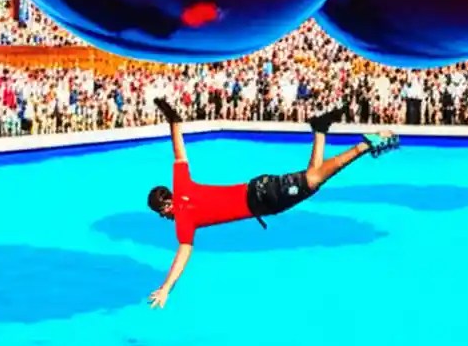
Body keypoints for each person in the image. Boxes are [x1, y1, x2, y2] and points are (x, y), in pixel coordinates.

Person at [145, 98, 398, 308]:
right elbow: (179, 150)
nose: (163, 216)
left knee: (311, 181)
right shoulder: (180, 184)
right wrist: (173, 120)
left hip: (266, 199)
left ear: (167, 205)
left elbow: (183, 254)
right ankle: (320, 129)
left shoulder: (184, 220)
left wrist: (167, 287)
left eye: (161, 212)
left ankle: (365, 145)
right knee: (311, 180)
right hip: (261, 189)